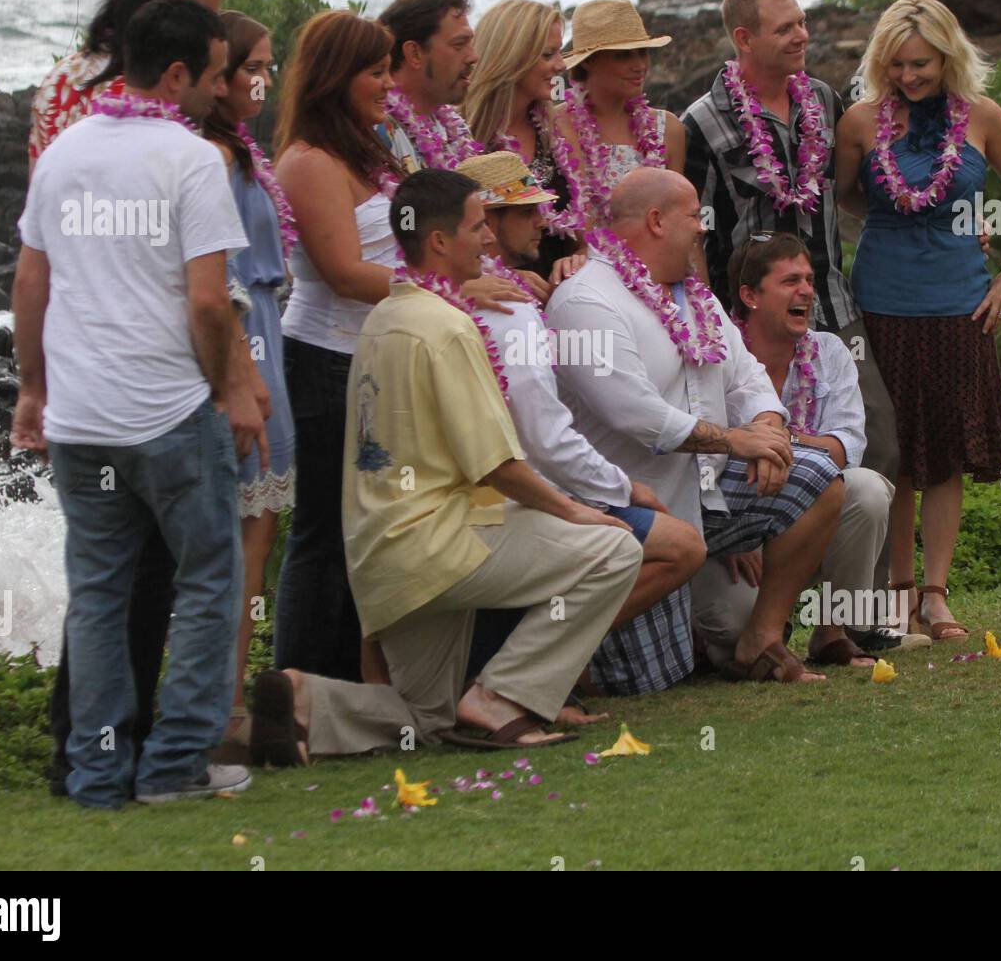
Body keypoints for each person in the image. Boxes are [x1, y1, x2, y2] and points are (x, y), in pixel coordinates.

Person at [248, 170, 643, 764]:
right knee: (616, 551)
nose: (488, 239)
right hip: (440, 548)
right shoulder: (448, 325)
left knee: (424, 719)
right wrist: (579, 511)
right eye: (477, 225)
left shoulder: (383, 317)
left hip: (383, 558)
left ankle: (306, 702)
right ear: (438, 242)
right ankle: (504, 698)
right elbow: (499, 467)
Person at [28, 0, 266, 795]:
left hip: (81, 417)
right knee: (208, 581)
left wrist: (31, 390)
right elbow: (209, 301)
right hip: (167, 409)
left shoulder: (62, 151)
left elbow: (31, 279)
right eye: (210, 75)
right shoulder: (190, 159)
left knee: (96, 594)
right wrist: (236, 389)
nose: (218, 89)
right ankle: (174, 767)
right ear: (173, 76)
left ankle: (94, 773)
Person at [273, 10, 525, 684]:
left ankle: (369, 680)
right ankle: (300, 683)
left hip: (384, 357)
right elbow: (343, 272)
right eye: (376, 72)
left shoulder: (378, 145)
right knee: (326, 526)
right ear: (334, 79)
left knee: (380, 522)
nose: (390, 85)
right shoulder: (309, 162)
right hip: (327, 360)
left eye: (390, 69)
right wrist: (456, 291)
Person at [548, 167, 849, 688]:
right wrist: (735, 439)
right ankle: (552, 662)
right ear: (657, 220)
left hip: (708, 492)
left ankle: (763, 638)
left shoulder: (698, 299)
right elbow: (636, 415)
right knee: (641, 681)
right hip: (634, 507)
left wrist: (767, 433)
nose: (703, 227)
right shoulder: (585, 301)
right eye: (693, 216)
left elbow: (749, 379)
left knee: (818, 474)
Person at [682, 0, 901, 649]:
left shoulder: (824, 99)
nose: (803, 34)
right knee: (752, 460)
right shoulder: (703, 121)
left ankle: (846, 620)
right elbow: (696, 231)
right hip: (747, 320)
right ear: (744, 39)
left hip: (832, 301)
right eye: (786, 28)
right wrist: (708, 322)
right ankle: (764, 601)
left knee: (880, 449)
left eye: (803, 21)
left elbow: (846, 193)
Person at [454, 151, 707, 693]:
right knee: (680, 545)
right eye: (526, 212)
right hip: (500, 506)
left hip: (471, 499)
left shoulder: (443, 299)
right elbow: (545, 439)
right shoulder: (510, 309)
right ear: (489, 226)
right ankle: (525, 675)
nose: (544, 222)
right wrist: (621, 490)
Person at [835, 0, 1001, 641]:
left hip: (960, 305)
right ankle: (896, 593)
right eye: (896, 65)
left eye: (920, 64)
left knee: (946, 452)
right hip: (881, 304)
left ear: (947, 56)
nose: (908, 77)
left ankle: (937, 593)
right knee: (892, 452)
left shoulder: (984, 118)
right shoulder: (861, 122)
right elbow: (842, 201)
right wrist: (905, 220)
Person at [693, 232, 931, 662]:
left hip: (814, 514)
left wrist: (775, 440)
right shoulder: (715, 354)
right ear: (749, 295)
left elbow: (846, 448)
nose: (806, 290)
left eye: (808, 278)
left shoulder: (830, 351)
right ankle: (742, 633)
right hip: (734, 525)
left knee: (868, 488)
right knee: (730, 629)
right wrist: (736, 536)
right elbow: (705, 457)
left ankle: (832, 628)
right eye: (789, 281)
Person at [201, 11, 297, 753]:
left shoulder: (240, 151)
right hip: (244, 336)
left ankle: (227, 699)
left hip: (264, 324)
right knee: (241, 537)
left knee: (254, 534)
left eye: (270, 66)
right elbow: (220, 272)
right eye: (251, 68)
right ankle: (220, 708)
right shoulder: (211, 157)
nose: (262, 80)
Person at [29, 0, 222, 165]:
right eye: (200, 19)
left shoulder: (59, 77)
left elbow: (39, 180)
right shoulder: (151, 91)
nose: (212, 33)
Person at [463, 0, 586, 285]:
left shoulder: (558, 131)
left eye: (559, 51)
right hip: (495, 296)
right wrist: (504, 277)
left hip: (561, 292)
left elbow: (584, 235)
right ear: (511, 57)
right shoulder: (460, 134)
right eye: (547, 54)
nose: (561, 65)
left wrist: (577, 256)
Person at [561, 0, 686, 229]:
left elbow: (681, 223)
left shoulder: (667, 128)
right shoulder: (560, 123)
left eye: (642, 52)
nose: (639, 65)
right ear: (589, 61)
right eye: (623, 55)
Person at [377, 0, 482, 171]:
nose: (473, 57)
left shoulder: (455, 129)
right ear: (414, 53)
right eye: (459, 45)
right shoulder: (378, 132)